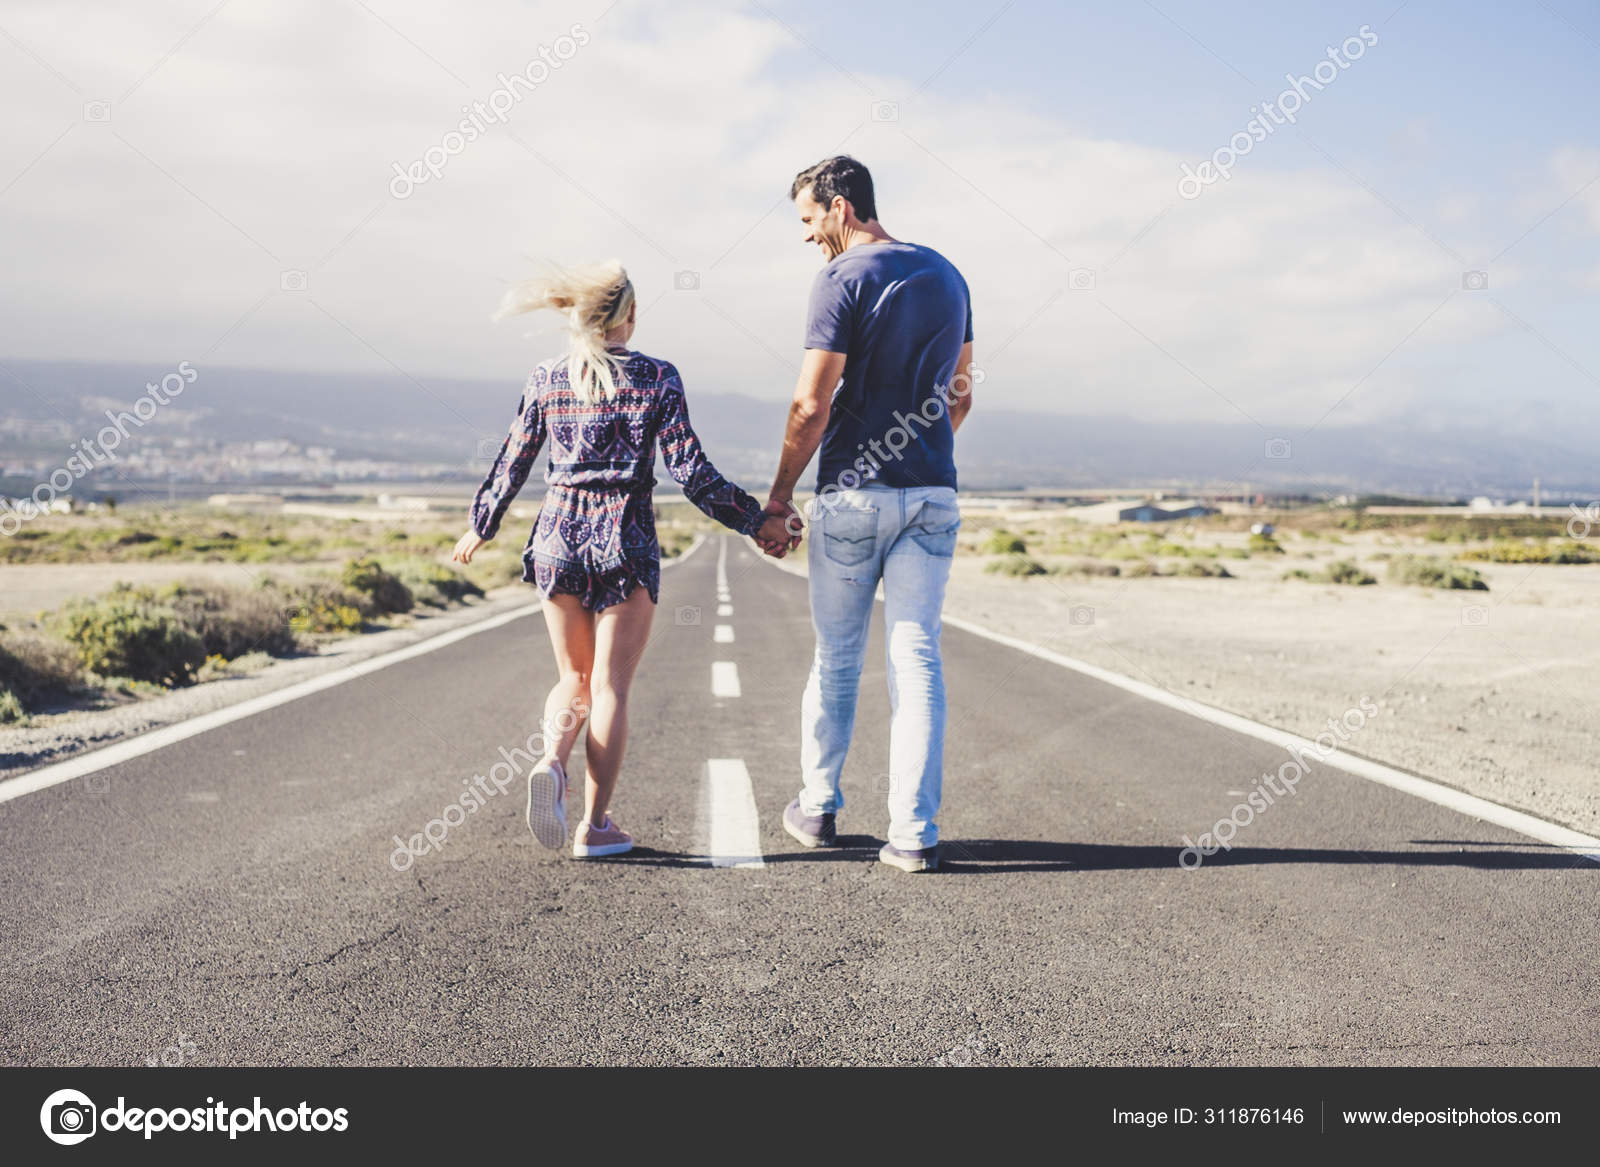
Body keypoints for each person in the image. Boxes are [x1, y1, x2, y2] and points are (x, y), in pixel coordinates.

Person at [453, 261, 794, 859]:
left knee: (572, 679)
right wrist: (753, 520)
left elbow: (514, 459)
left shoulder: (547, 378)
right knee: (609, 687)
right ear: (628, 317)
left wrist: (481, 525)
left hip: (558, 534)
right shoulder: (658, 378)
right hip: (626, 536)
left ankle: (552, 765)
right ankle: (595, 826)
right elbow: (691, 472)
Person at [762, 156, 976, 873]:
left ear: (840, 207)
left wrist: (781, 494)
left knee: (839, 655)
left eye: (808, 218)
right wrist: (922, 452)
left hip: (852, 492)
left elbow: (809, 403)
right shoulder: (949, 275)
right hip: (932, 493)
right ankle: (913, 835)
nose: (806, 235)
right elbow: (962, 394)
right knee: (916, 658)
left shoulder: (841, 279)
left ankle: (818, 807)